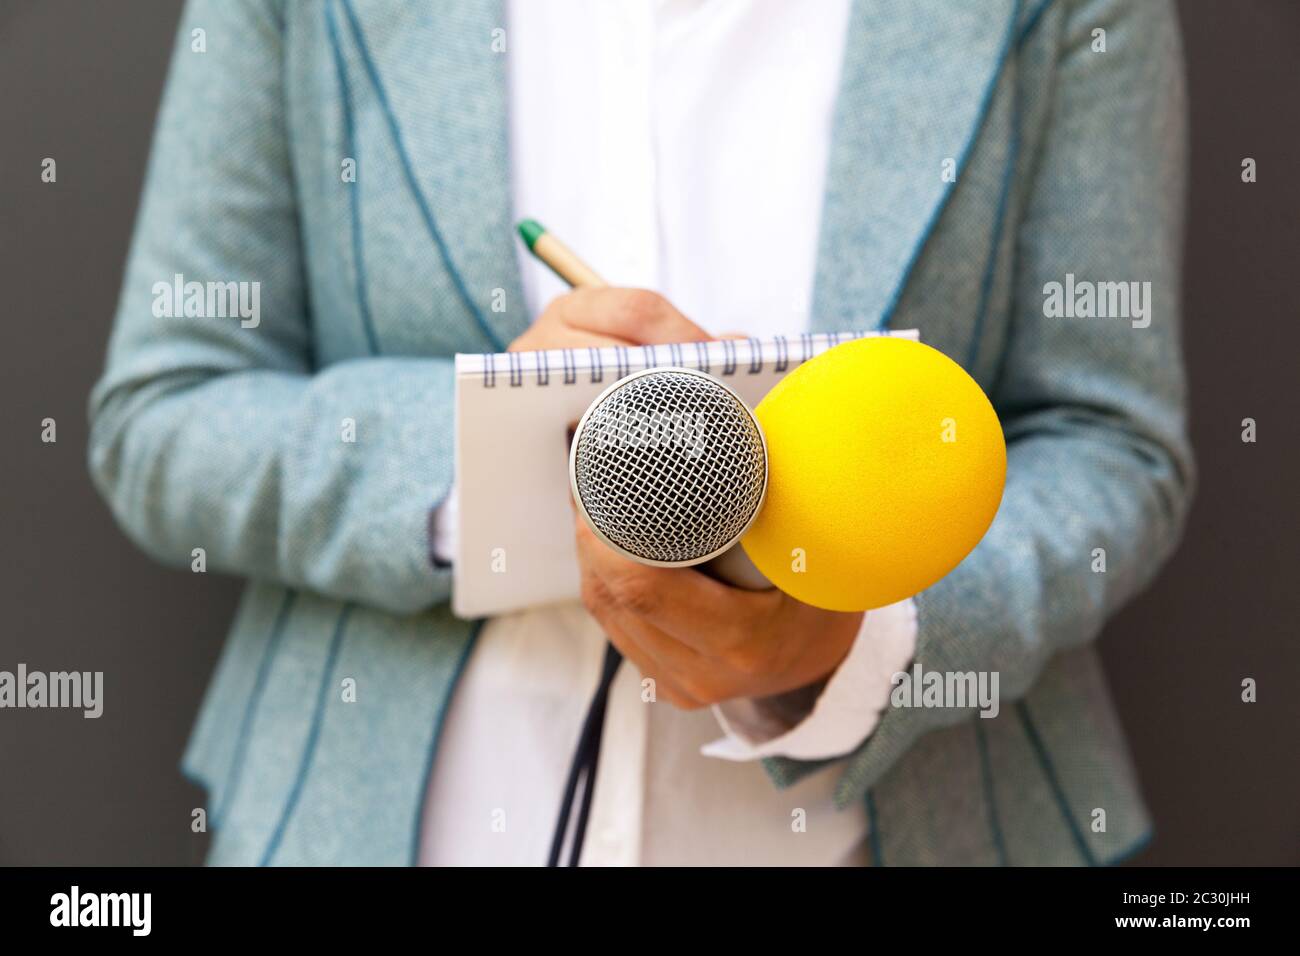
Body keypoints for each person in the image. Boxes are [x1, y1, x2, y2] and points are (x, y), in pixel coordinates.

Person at [89, 0, 1193, 865]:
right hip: (379, 823)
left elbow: (1108, 436)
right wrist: (503, 454)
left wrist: (871, 637)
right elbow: (166, 409)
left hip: (918, 819)